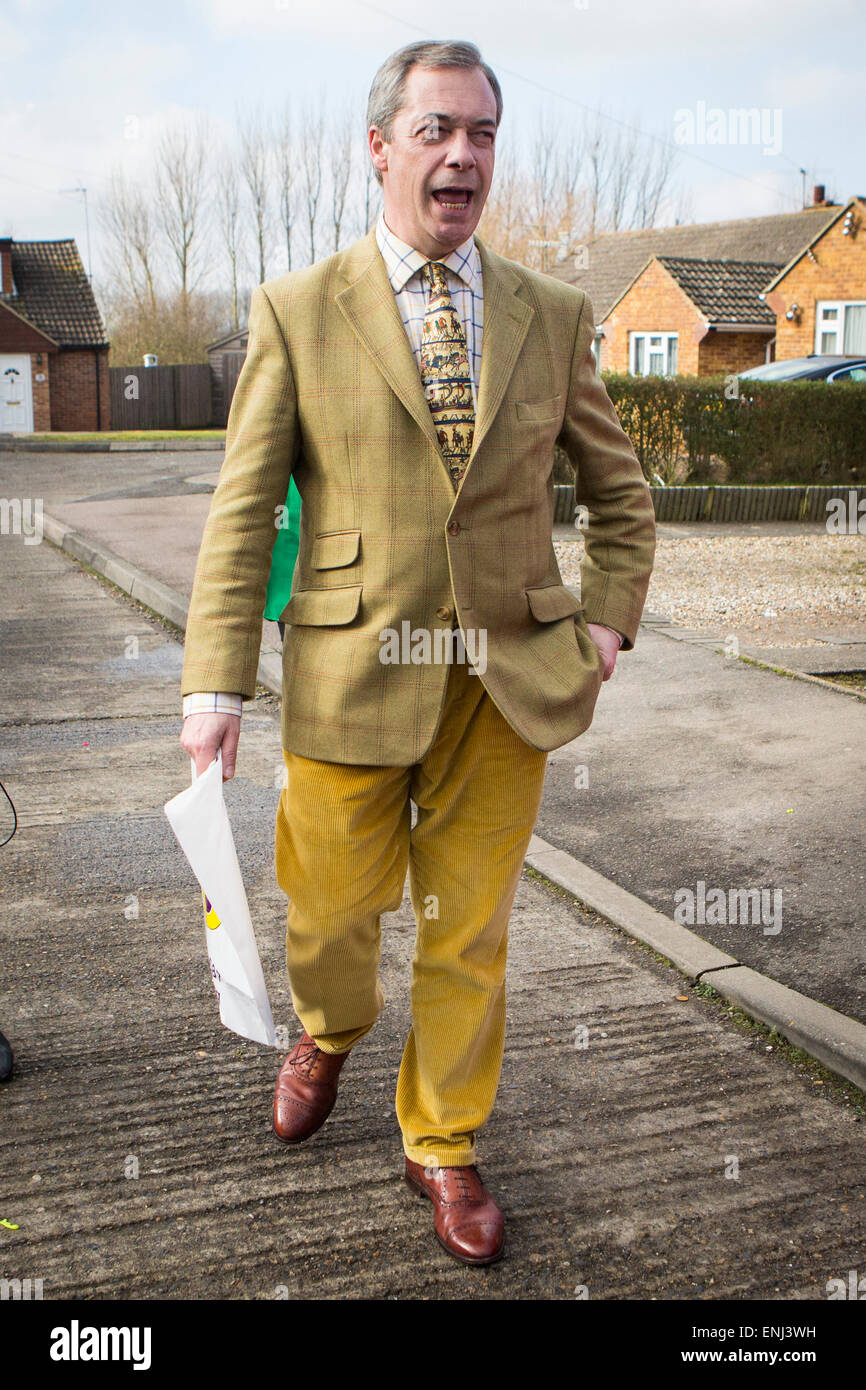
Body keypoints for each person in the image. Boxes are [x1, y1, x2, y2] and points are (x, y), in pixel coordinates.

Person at [180, 39, 656, 1267]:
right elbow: (241, 514)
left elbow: (619, 492)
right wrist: (213, 684)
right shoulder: (297, 308)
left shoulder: (549, 315)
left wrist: (602, 621)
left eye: (483, 133)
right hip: (348, 674)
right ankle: (330, 1028)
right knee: (329, 913)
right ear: (380, 146)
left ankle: (440, 1139)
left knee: (469, 930)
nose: (463, 156)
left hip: (506, 684)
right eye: (438, 129)